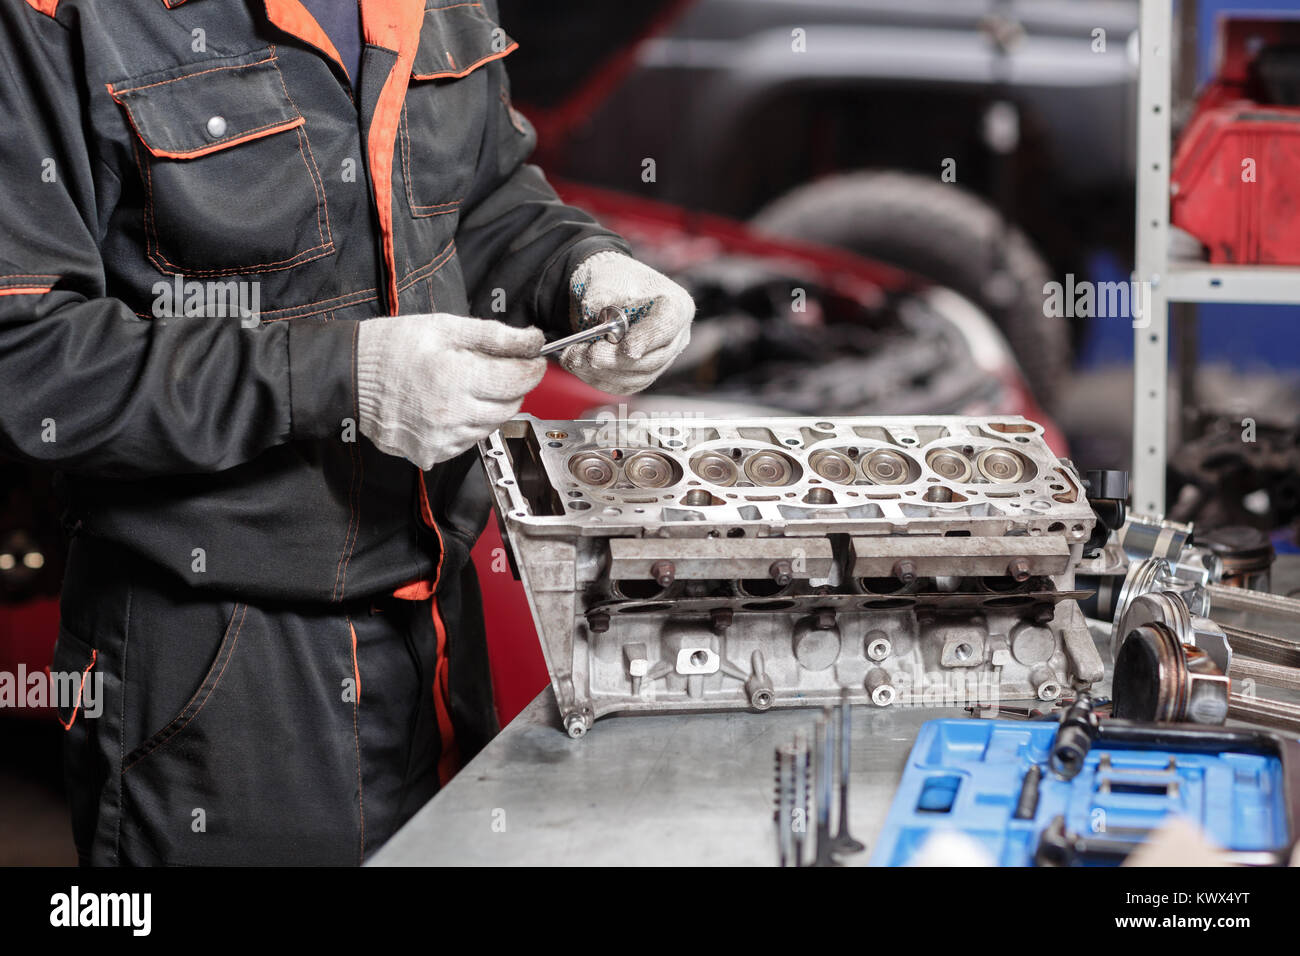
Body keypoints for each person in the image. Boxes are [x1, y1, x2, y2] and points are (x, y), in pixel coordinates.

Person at [0, 0, 694, 865]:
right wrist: (342, 379)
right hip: (218, 680)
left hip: (438, 624)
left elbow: (479, 195)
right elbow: (27, 357)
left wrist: (581, 268)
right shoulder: (60, 19)